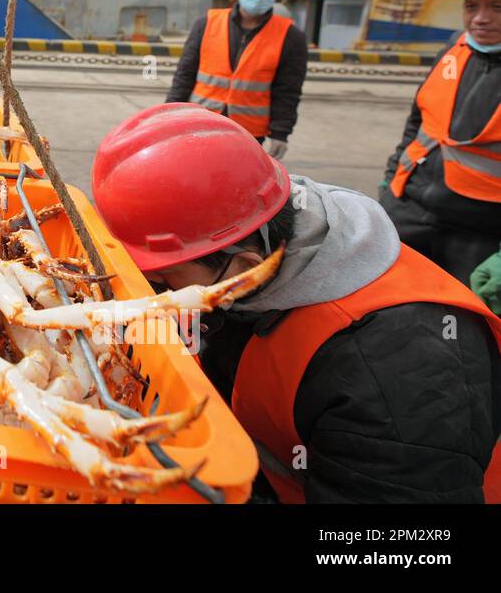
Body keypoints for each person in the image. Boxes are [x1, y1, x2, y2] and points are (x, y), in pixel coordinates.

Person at [92, 103, 501, 503]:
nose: (153, 291)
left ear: (244, 268)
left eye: (162, 279)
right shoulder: (255, 229)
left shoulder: (392, 376)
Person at [381, 0, 501, 293]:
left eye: (497, 7)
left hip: (480, 233)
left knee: (467, 331)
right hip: (409, 211)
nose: (481, 19)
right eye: (471, 7)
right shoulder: (454, 49)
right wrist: (391, 185)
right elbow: (417, 124)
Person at [167, 0, 307, 159]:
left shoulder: (290, 36)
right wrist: (168, 114)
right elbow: (184, 75)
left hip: (248, 134)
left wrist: (281, 134)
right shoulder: (206, 23)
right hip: (199, 123)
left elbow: (288, 91)